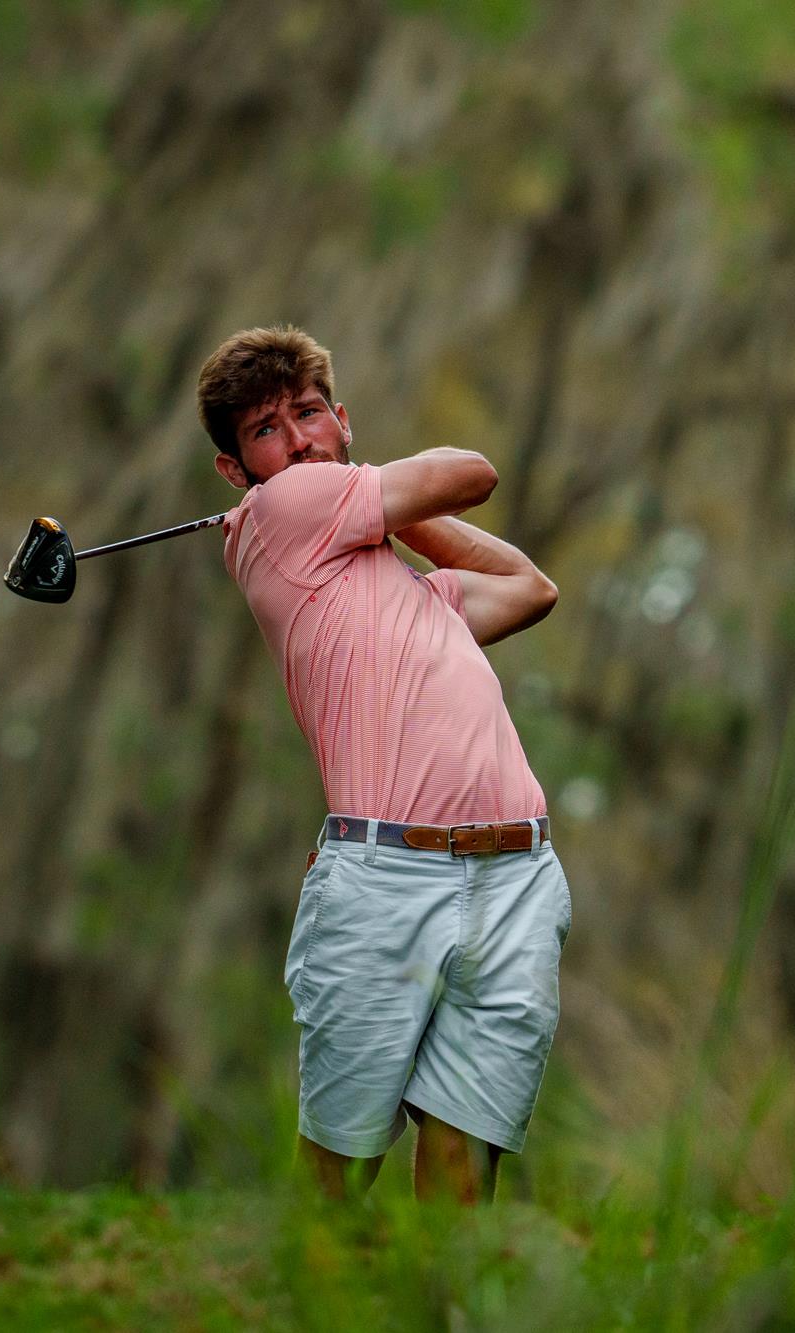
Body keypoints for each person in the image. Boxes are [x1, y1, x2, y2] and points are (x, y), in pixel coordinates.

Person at [195, 325, 570, 1205]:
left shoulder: (411, 591)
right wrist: (365, 489)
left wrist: (394, 513)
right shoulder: (283, 517)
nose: (295, 442)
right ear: (234, 470)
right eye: (264, 431)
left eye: (310, 414)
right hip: (385, 877)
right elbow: (474, 469)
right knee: (337, 1175)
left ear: (344, 420)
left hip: (517, 874)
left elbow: (531, 588)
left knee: (463, 1165)